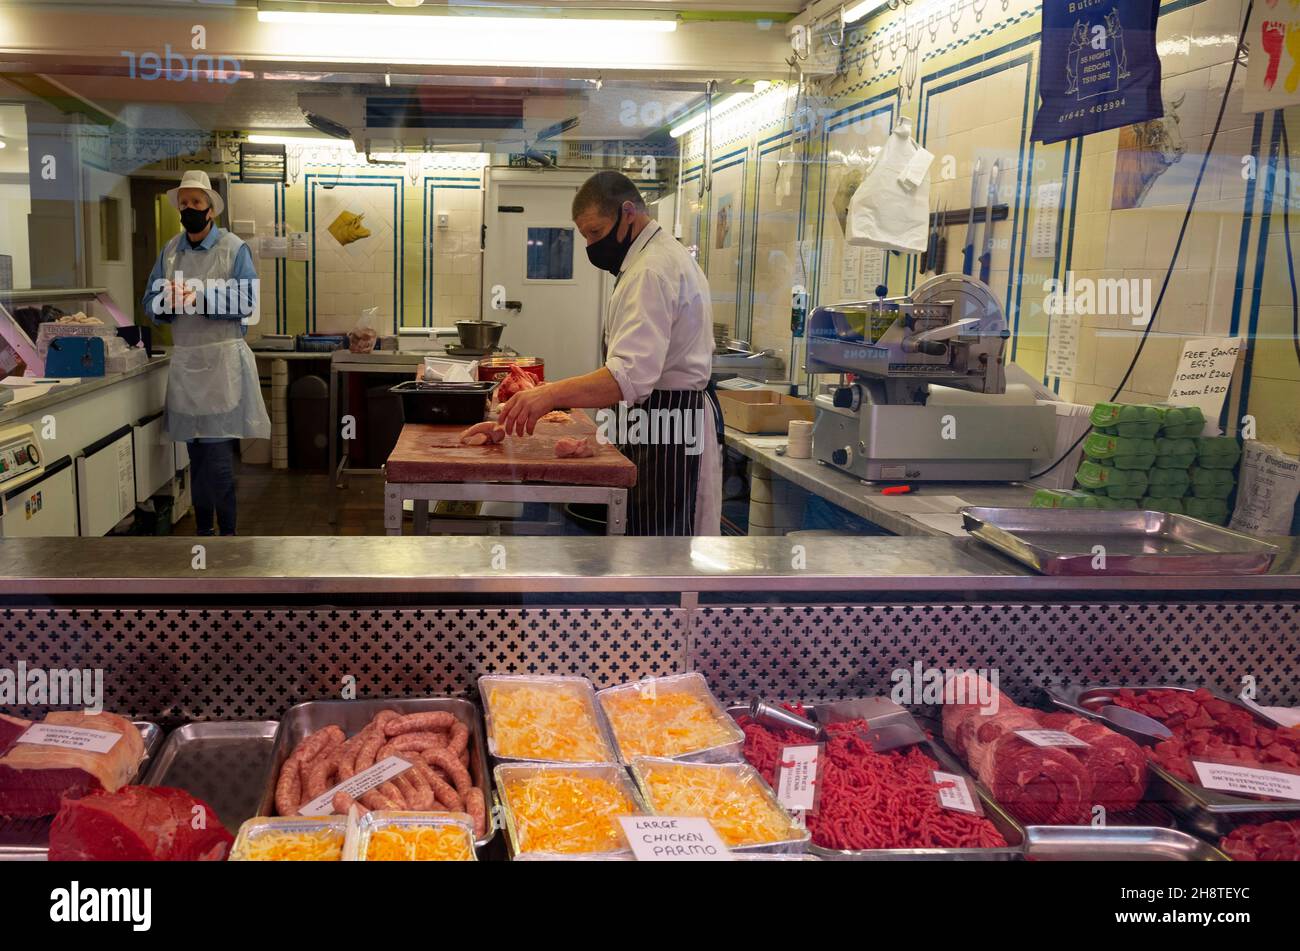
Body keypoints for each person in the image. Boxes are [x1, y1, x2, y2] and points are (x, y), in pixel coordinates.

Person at [498, 171, 721, 536]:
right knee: (649, 539)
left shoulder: (651, 270)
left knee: (660, 549)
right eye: (584, 235)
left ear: (628, 212)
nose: (590, 246)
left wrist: (549, 394)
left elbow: (627, 376)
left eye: (596, 233)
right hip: (660, 420)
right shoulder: (655, 257)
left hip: (670, 426)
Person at [142, 170, 269, 536]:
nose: (189, 209)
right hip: (186, 364)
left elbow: (248, 301)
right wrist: (165, 302)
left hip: (220, 366)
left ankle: (226, 535)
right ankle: (203, 535)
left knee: (217, 459)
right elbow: (149, 300)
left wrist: (199, 296)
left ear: (210, 209)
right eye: (183, 203)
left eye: (196, 202)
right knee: (195, 458)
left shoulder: (233, 249)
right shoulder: (169, 252)